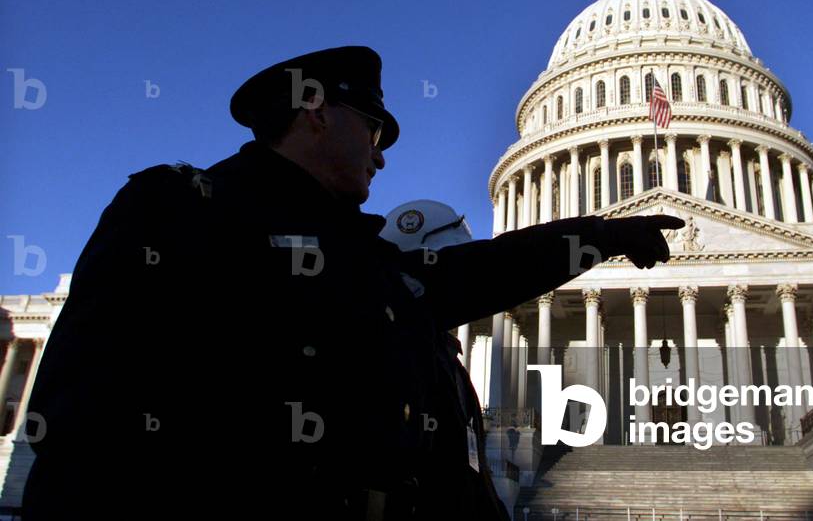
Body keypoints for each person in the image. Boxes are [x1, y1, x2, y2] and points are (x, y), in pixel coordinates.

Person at [22, 46, 684, 520]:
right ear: (315, 113)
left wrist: (599, 234)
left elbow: (467, 275)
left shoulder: (363, 254)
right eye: (370, 126)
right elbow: (84, 405)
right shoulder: (181, 209)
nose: (381, 150)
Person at [380, 199, 509, 520]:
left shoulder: (449, 362)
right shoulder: (391, 357)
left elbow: (470, 477)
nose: (464, 282)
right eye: (450, 268)